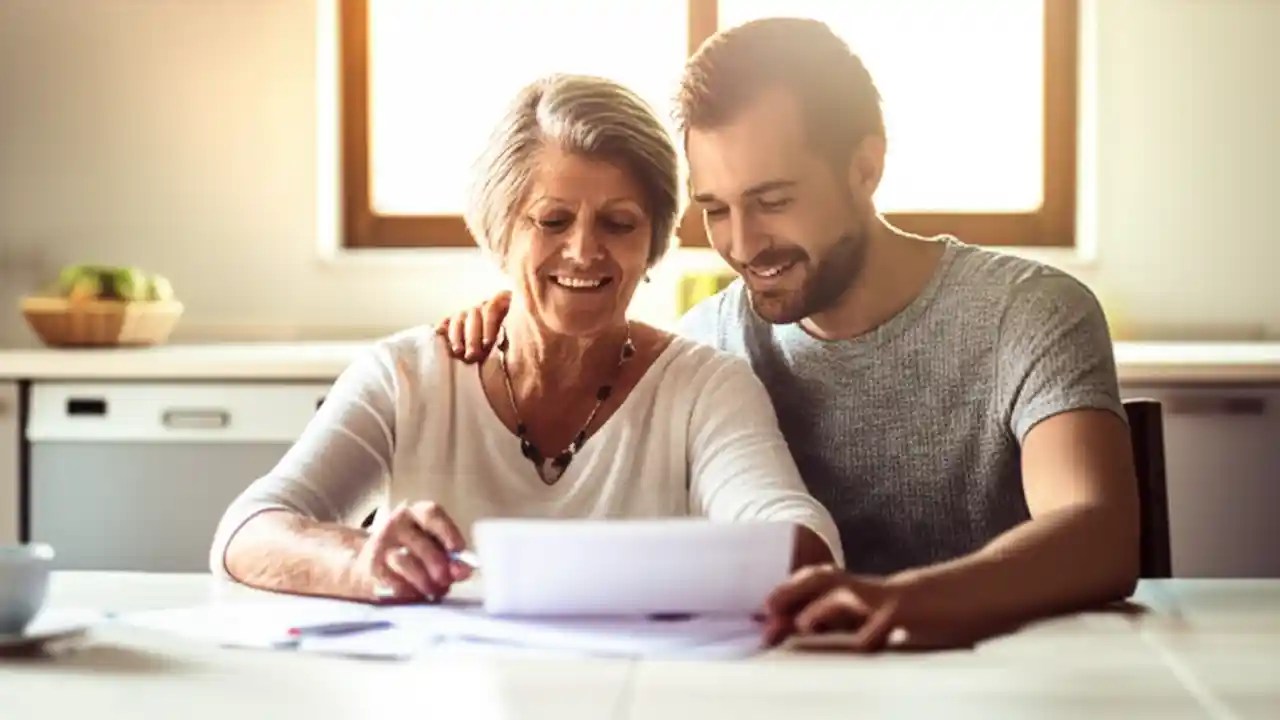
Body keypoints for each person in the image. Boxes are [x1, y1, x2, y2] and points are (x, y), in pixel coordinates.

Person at [438, 18, 1140, 649]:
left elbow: (1098, 535)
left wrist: (902, 600)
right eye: (716, 209)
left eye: (773, 201)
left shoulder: (1029, 312)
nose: (743, 245)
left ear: (866, 167)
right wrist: (518, 320)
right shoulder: (706, 346)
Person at [210, 73, 841, 604]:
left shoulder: (705, 387)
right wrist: (361, 560)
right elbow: (247, 532)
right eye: (553, 219)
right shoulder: (403, 376)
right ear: (500, 230)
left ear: (652, 243)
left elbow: (803, 544)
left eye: (619, 223)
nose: (584, 251)